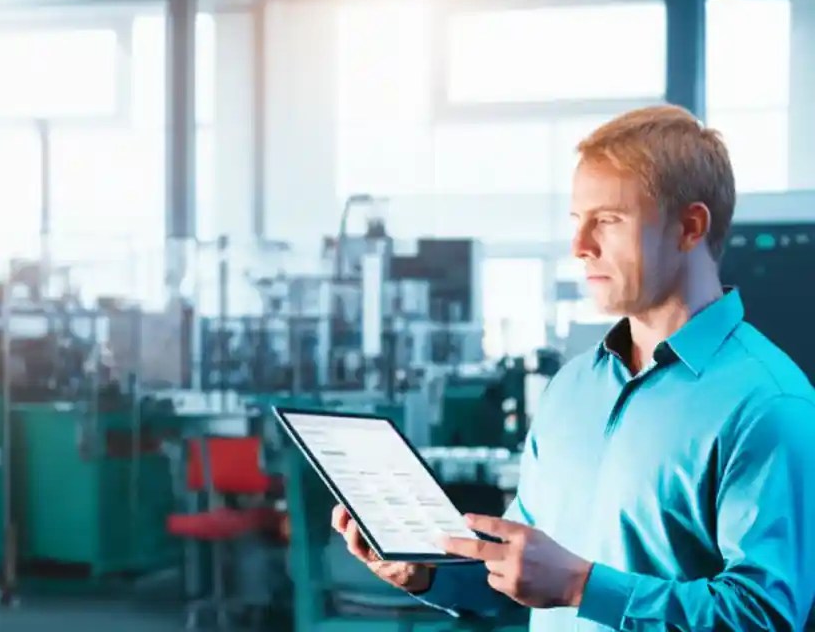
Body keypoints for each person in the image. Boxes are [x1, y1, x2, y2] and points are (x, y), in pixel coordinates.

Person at [332, 105, 815, 631]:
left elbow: (763, 615)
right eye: (577, 222)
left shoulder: (768, 402)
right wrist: (423, 574)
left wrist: (581, 587)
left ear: (689, 227)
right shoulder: (573, 386)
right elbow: (518, 573)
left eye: (607, 220)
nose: (580, 247)